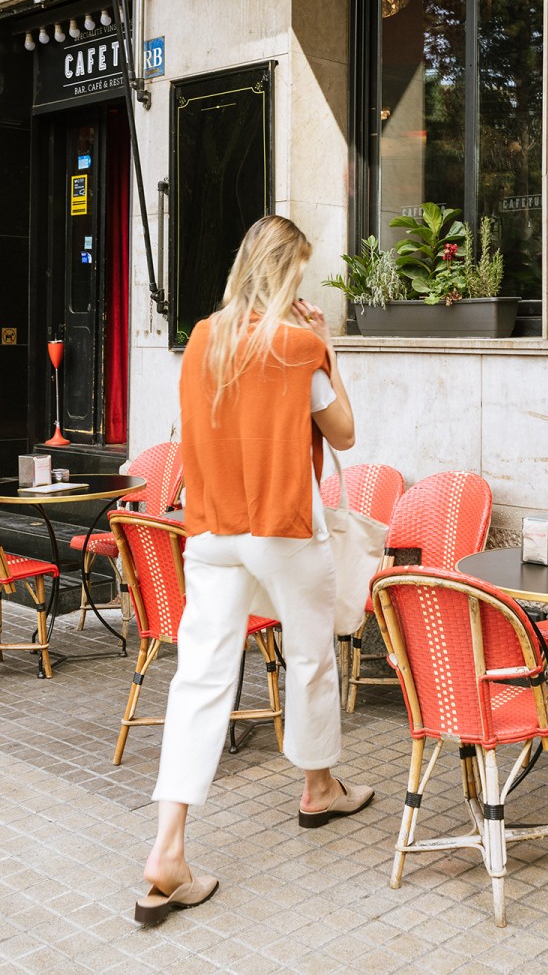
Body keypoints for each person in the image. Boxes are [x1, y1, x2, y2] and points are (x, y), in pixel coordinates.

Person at [134, 215, 373, 926]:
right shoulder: (300, 345)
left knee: (200, 677)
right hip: (281, 526)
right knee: (309, 658)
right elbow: (347, 432)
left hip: (210, 530)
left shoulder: (203, 338)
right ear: (285, 274)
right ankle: (317, 786)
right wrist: (328, 347)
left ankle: (166, 847)